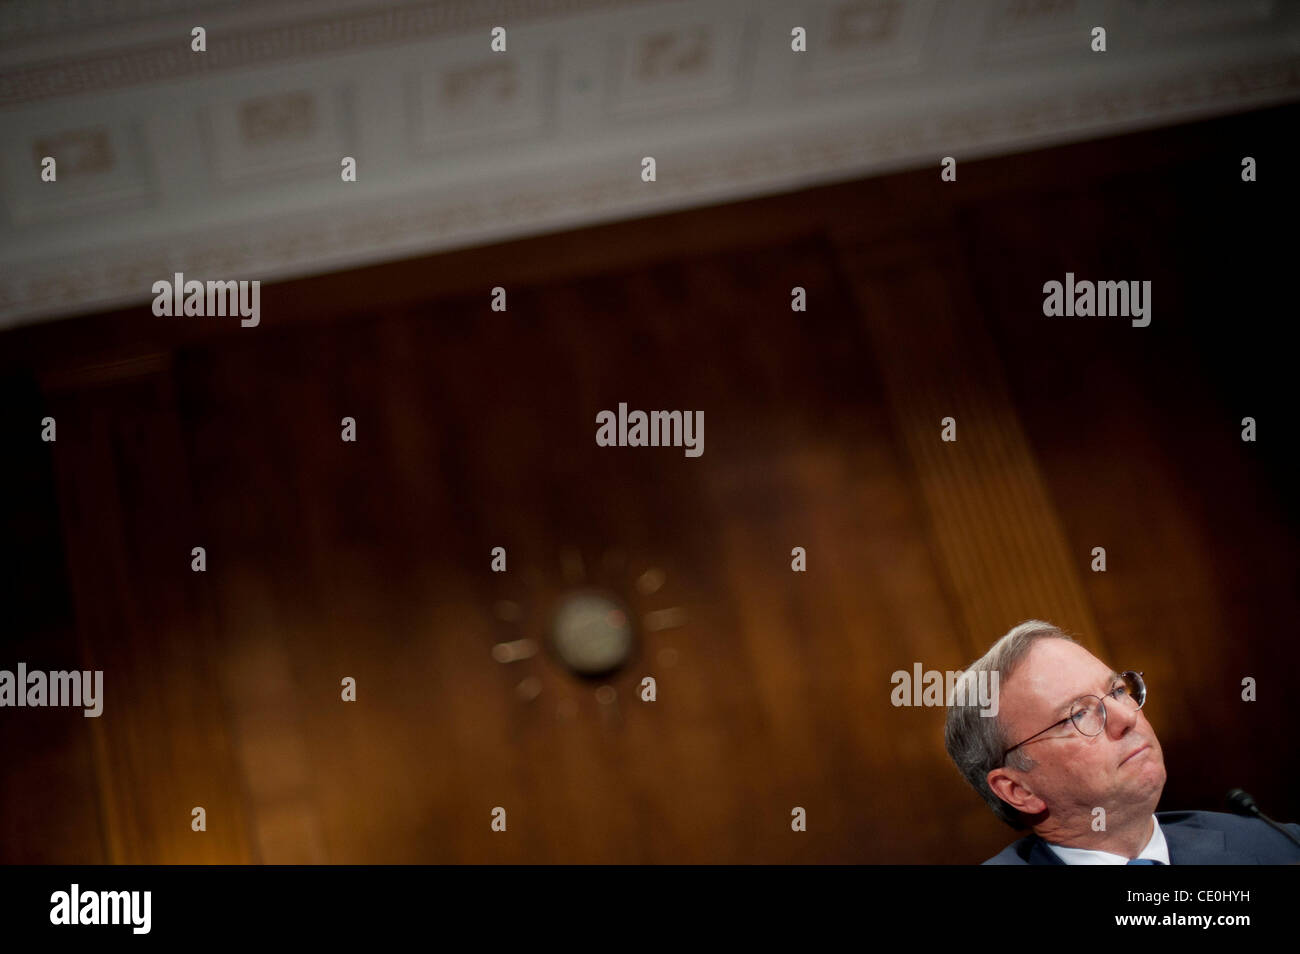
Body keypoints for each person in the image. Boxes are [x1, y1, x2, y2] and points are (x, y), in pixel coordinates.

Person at [944, 620, 1300, 864]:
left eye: (1117, 691)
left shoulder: (1280, 847)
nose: (1127, 718)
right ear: (1018, 789)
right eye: (1078, 715)